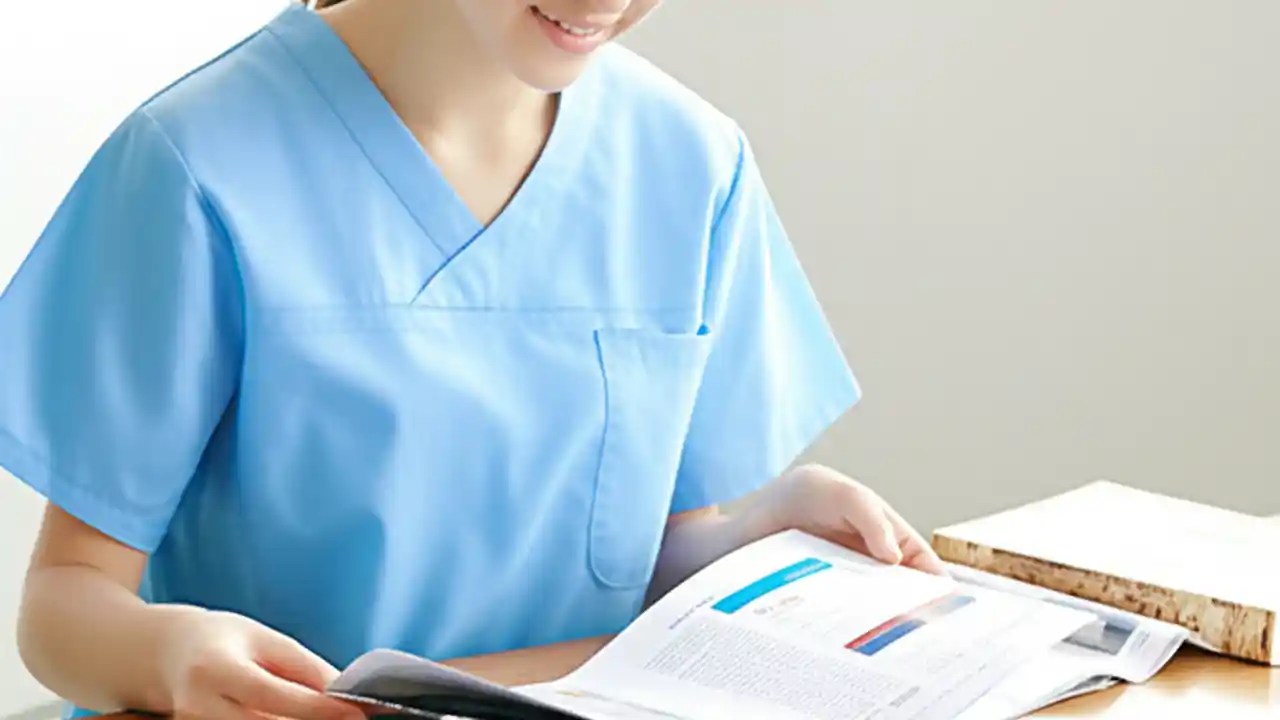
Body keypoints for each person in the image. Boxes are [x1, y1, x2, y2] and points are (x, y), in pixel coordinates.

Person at [3, 1, 945, 717]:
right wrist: (169, 655)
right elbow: (62, 608)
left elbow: (643, 560)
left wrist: (762, 533)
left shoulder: (692, 163)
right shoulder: (195, 165)